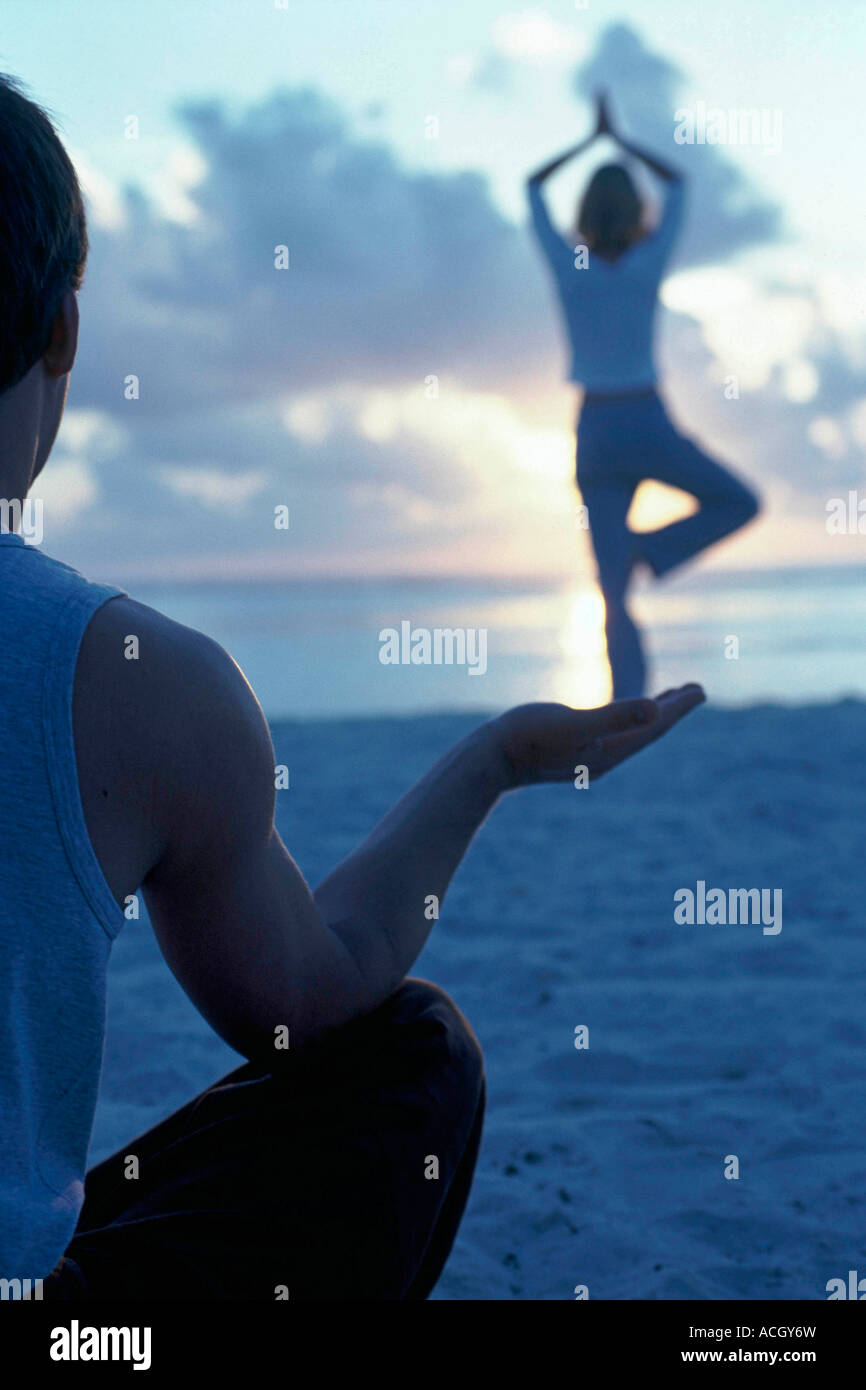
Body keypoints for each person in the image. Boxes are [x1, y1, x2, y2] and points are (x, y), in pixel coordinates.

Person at [0, 71, 706, 1302]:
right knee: (411, 1053)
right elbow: (311, 995)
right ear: (64, 329)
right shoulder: (133, 683)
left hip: (601, 433)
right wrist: (493, 762)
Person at [527, 92, 761, 698]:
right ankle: (651, 551)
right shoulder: (646, 263)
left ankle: (627, 704)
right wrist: (620, 140)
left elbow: (531, 186)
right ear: (637, 209)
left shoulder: (570, 266)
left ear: (584, 208)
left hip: (595, 429)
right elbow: (678, 184)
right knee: (739, 502)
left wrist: (588, 142)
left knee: (611, 590)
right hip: (645, 419)